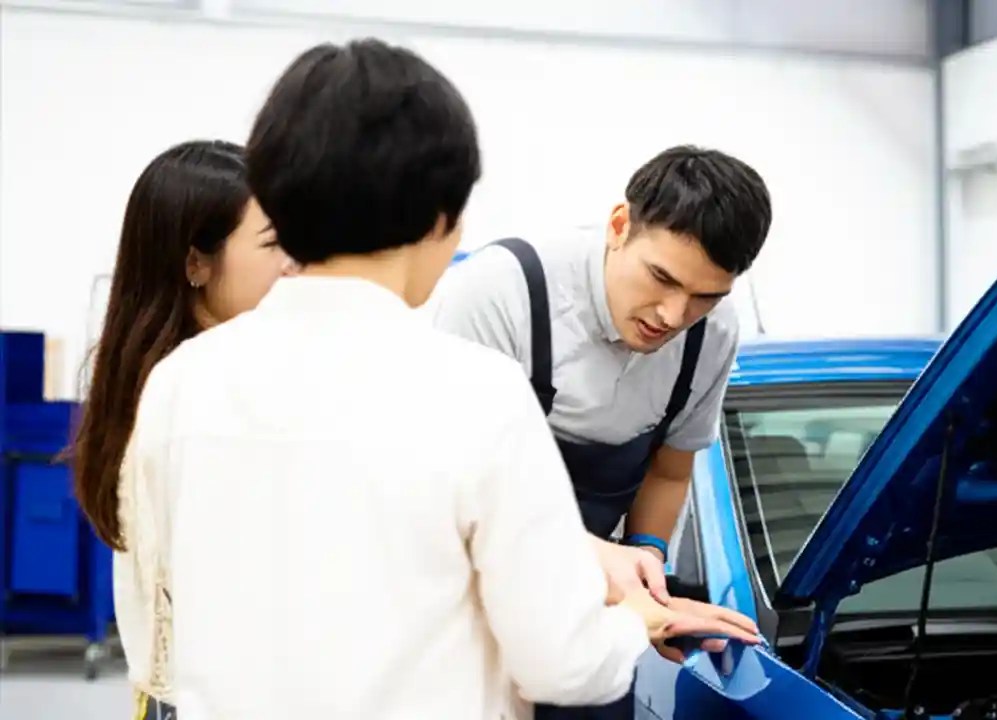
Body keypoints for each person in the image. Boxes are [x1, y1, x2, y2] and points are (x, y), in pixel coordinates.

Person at [107, 38, 759, 719]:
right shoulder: (476, 394)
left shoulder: (180, 384)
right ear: (443, 222)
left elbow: (160, 617)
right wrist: (633, 623)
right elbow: (562, 664)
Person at [423, 144, 773, 719]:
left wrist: (646, 568)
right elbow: (449, 492)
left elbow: (669, 466)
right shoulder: (500, 293)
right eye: (661, 277)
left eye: (706, 296)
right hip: (468, 611)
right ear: (619, 226)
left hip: (592, 618)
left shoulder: (713, 334)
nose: (672, 315)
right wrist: (604, 571)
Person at [70, 138, 295, 718]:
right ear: (196, 262)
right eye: (272, 244)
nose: (292, 264)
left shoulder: (149, 375)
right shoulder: (202, 393)